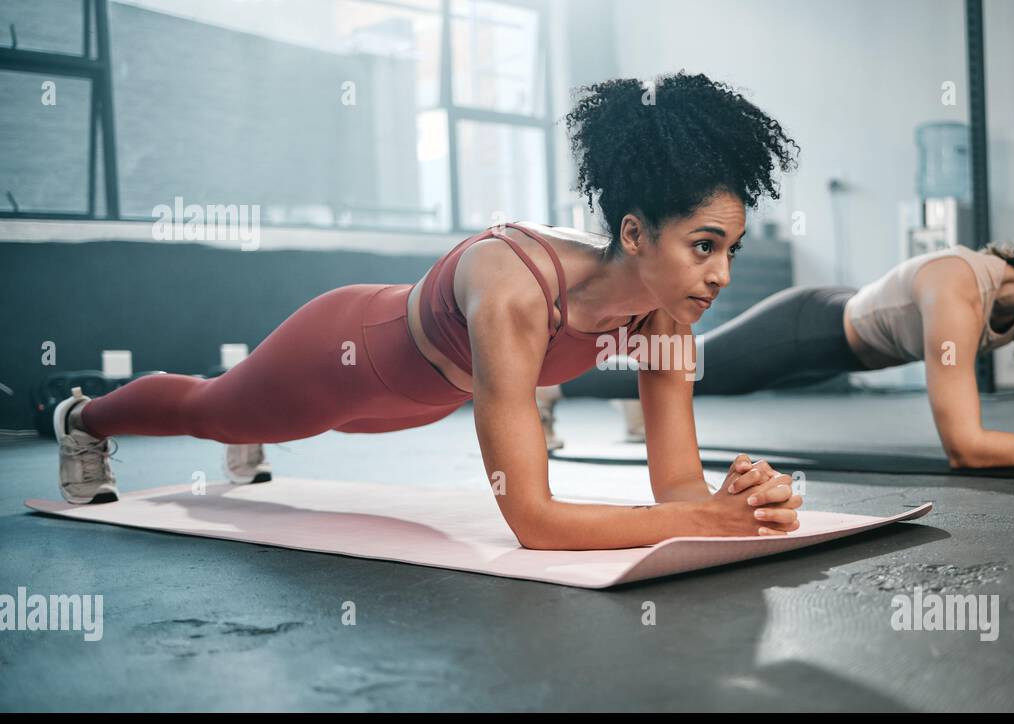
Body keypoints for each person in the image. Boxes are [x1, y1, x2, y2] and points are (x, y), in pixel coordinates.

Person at [53, 71, 805, 549]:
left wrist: (730, 500)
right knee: (214, 407)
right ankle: (82, 420)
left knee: (263, 420)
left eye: (731, 250)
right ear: (635, 233)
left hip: (418, 400)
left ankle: (248, 437)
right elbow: (534, 521)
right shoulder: (517, 287)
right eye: (704, 246)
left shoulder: (668, 315)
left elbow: (675, 488)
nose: (721, 274)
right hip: (340, 356)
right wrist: (702, 520)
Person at [538, 191, 1014, 468]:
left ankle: (620, 399)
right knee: (696, 370)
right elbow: (967, 448)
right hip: (810, 326)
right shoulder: (959, 285)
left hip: (849, 340)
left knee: (694, 373)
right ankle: (555, 389)